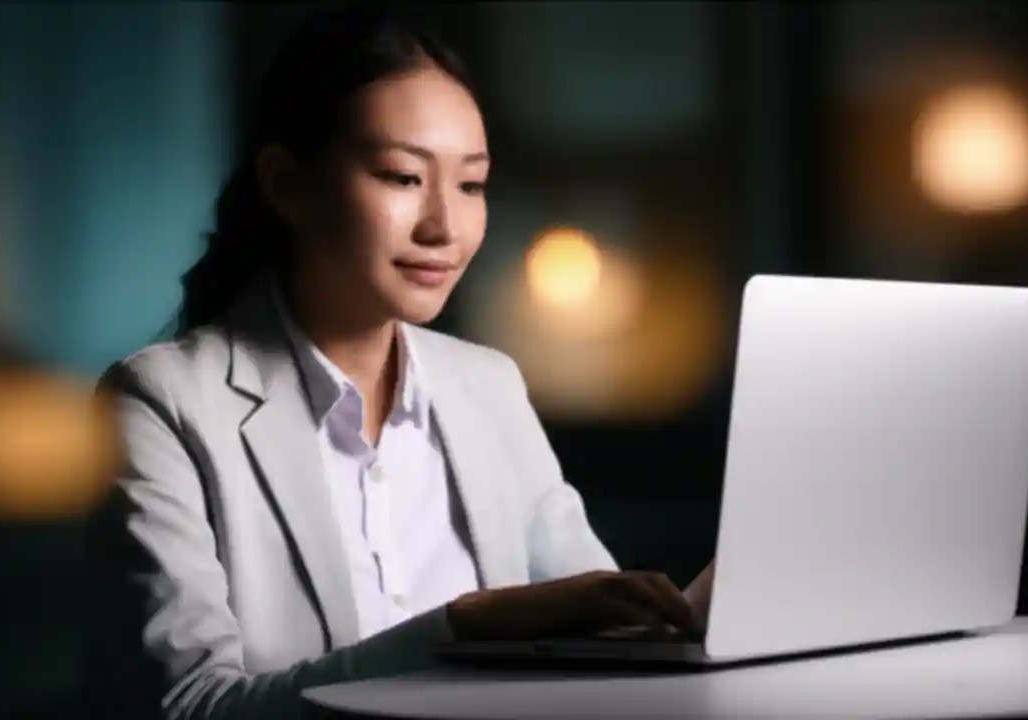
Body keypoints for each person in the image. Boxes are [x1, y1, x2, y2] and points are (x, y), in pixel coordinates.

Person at [89, 6, 711, 719]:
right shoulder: (160, 402)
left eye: (471, 184)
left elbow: (595, 624)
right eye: (401, 176)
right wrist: (464, 628)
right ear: (286, 184)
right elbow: (188, 706)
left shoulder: (487, 386)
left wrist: (681, 623)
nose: (445, 227)